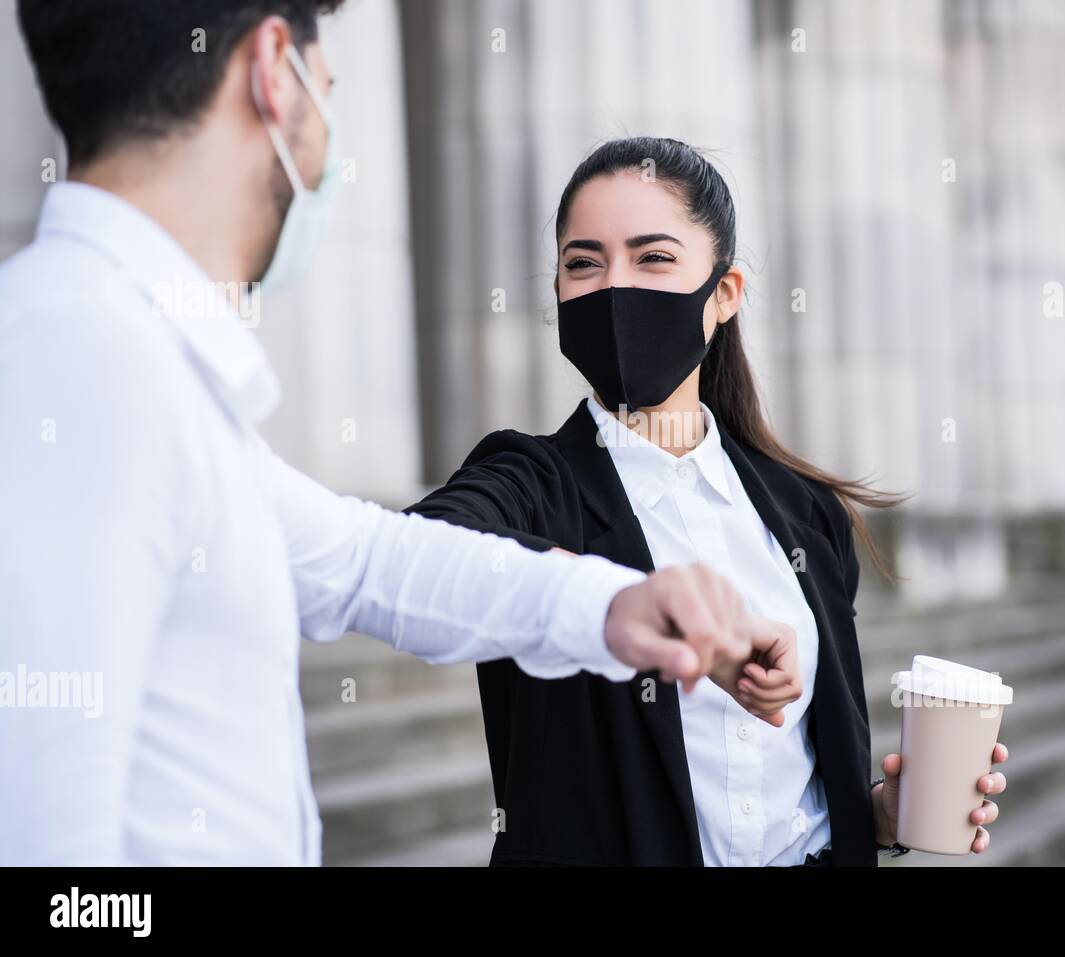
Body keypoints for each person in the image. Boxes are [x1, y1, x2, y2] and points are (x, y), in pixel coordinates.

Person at [0, 2, 776, 866]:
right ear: (271, 71)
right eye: (325, 91)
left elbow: (368, 563)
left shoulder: (135, 358)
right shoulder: (74, 357)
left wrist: (614, 605)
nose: (328, 144)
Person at [407, 137, 1010, 865]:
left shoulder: (803, 511)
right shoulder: (532, 481)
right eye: (582, 262)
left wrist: (881, 813)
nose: (612, 286)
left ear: (723, 294)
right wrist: (656, 611)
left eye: (653, 257)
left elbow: (804, 766)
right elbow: (421, 556)